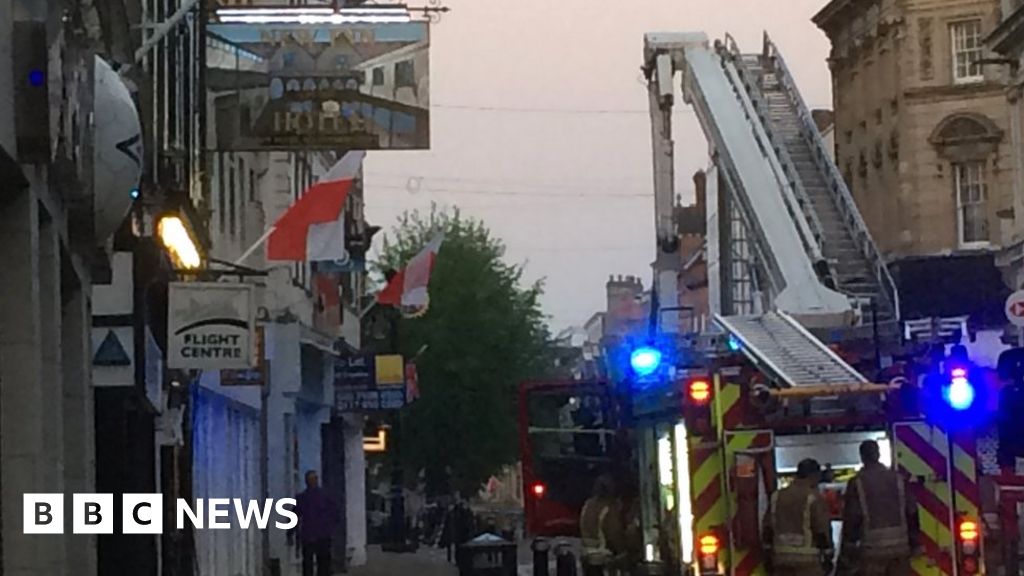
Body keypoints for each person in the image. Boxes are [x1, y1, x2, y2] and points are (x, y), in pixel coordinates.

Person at [840, 440, 920, 576]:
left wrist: (848, 548)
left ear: (862, 457)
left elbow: (852, 517)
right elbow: (911, 511)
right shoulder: (898, 478)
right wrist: (914, 542)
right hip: (899, 549)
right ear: (878, 454)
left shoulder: (857, 483)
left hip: (872, 550)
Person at [762, 459, 834, 576]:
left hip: (781, 560)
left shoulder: (777, 496)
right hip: (807, 563)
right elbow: (821, 529)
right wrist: (828, 555)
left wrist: (767, 555)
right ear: (813, 475)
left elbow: (767, 528)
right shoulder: (813, 498)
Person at [295, 470, 340, 576]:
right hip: (322, 535)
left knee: (308, 564)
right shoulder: (326, 496)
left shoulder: (302, 498)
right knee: (324, 563)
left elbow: (294, 516)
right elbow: (335, 514)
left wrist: (290, 532)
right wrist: (331, 528)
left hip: (309, 535)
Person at [580, 475, 623, 576]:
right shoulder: (608, 508)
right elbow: (614, 533)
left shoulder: (588, 504)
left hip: (586, 555)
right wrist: (622, 552)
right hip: (603, 557)